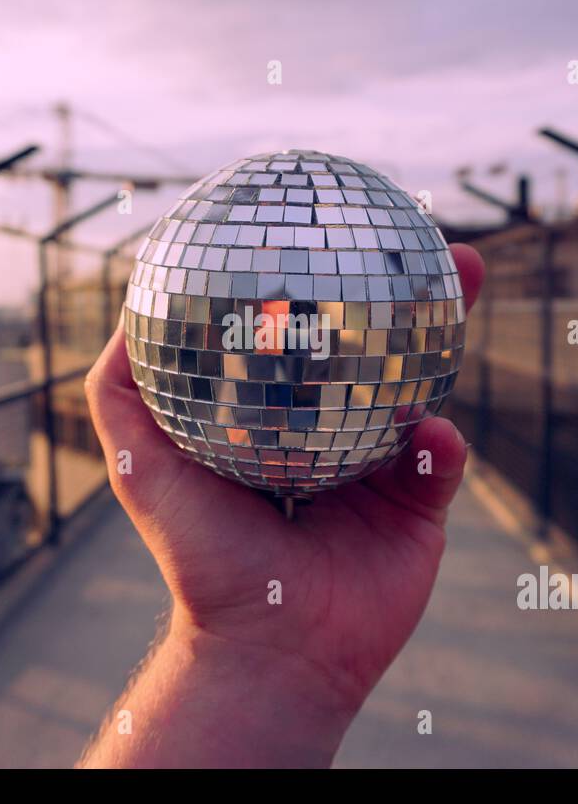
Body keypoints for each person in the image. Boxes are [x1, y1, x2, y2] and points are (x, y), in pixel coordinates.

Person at [77, 243, 484, 767]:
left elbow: (305, 362)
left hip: (286, 418)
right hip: (268, 416)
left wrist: (245, 646)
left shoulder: (278, 306)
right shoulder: (270, 308)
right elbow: (272, 363)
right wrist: (244, 639)